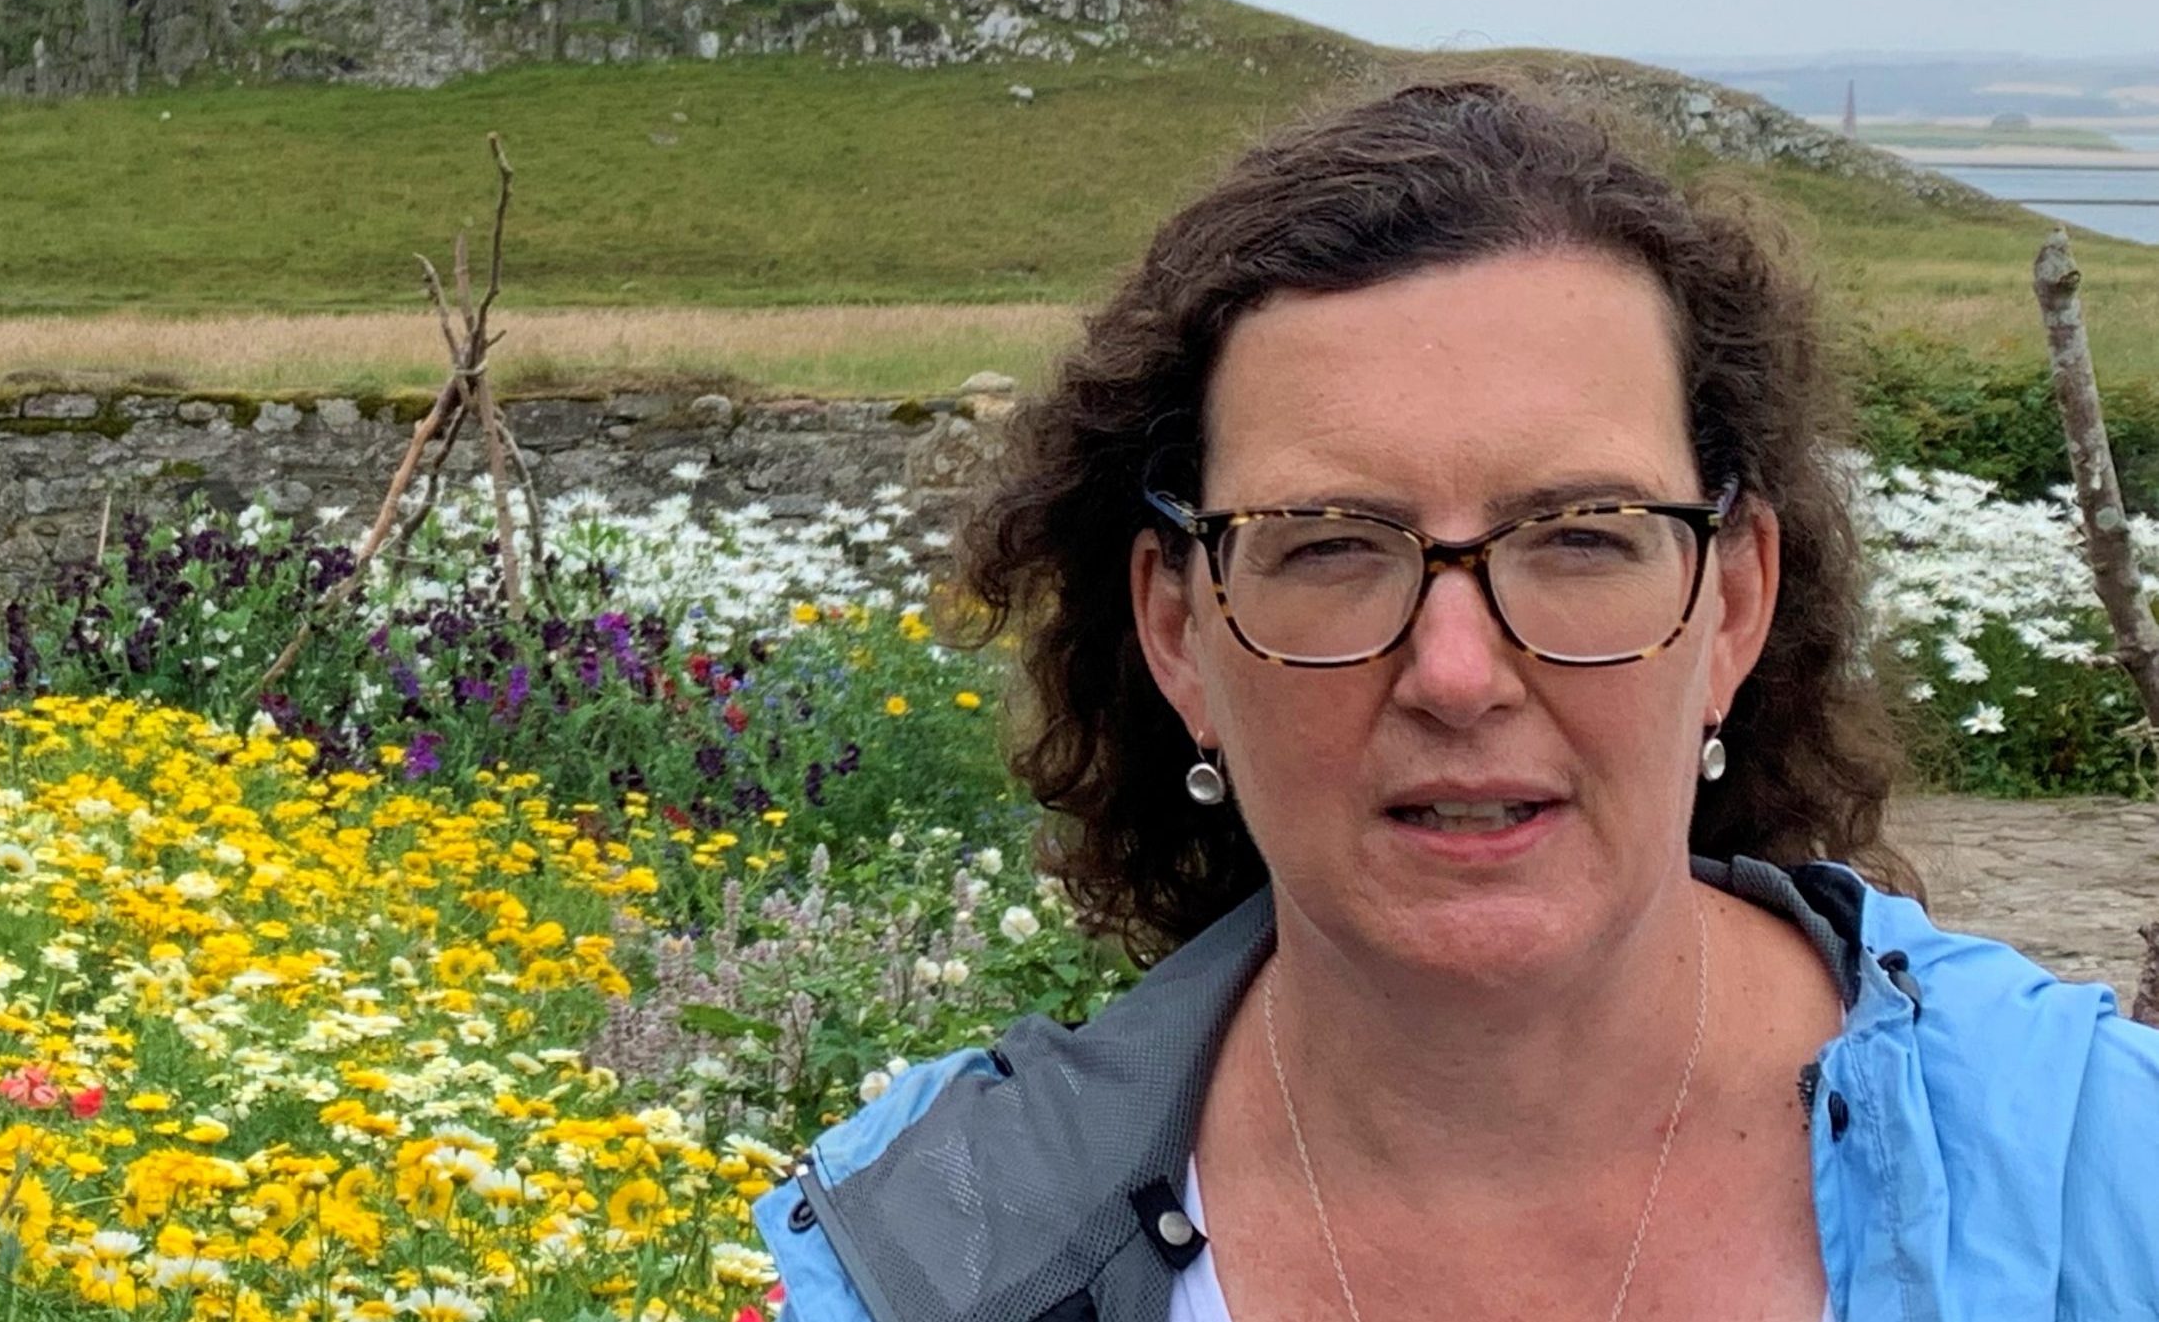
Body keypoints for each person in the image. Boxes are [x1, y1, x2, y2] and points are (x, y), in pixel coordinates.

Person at [755, 80, 2159, 1322]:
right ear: (1179, 629)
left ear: (1732, 603)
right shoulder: (939, 1251)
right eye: (1329, 546)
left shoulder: (2099, 1176)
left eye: (1583, 535)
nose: (1458, 673)